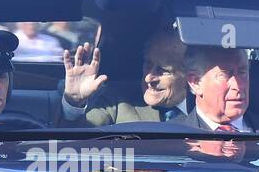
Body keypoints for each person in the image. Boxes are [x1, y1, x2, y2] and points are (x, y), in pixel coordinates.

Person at [60, 32, 191, 126]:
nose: (148, 77)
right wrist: (74, 101)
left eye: (163, 70)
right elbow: (76, 144)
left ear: (190, 77)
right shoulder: (117, 99)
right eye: (148, 64)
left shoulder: (207, 106)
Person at [176, 45, 250, 132]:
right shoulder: (172, 138)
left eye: (242, 72)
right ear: (196, 82)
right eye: (225, 75)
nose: (238, 86)